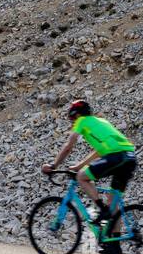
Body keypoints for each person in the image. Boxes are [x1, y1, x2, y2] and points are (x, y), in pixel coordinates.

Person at [41, 99, 137, 237]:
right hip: (130, 158)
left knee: (81, 176)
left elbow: (69, 146)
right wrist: (79, 166)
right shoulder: (101, 122)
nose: (73, 123)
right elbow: (99, 151)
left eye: (72, 119)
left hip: (117, 156)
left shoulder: (82, 121)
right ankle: (115, 244)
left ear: (77, 115)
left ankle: (102, 210)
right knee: (112, 201)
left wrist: (53, 165)